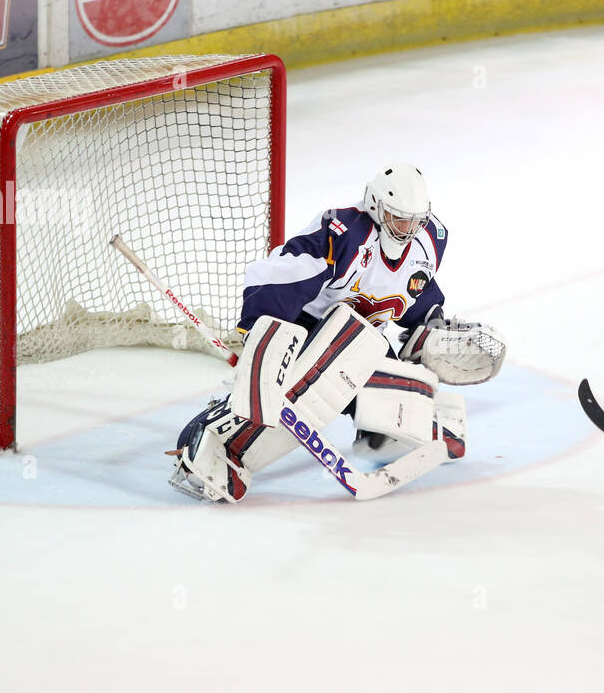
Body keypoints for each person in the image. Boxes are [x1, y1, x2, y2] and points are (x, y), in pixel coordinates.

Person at [168, 164, 504, 501]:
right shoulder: (345, 232)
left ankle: (429, 419)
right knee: (305, 391)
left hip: (364, 343)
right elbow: (280, 276)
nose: (407, 229)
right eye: (398, 219)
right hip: (308, 329)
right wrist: (264, 335)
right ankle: (221, 440)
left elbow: (414, 289)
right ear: (375, 206)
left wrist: (430, 324)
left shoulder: (429, 240)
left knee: (395, 414)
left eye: (415, 220)